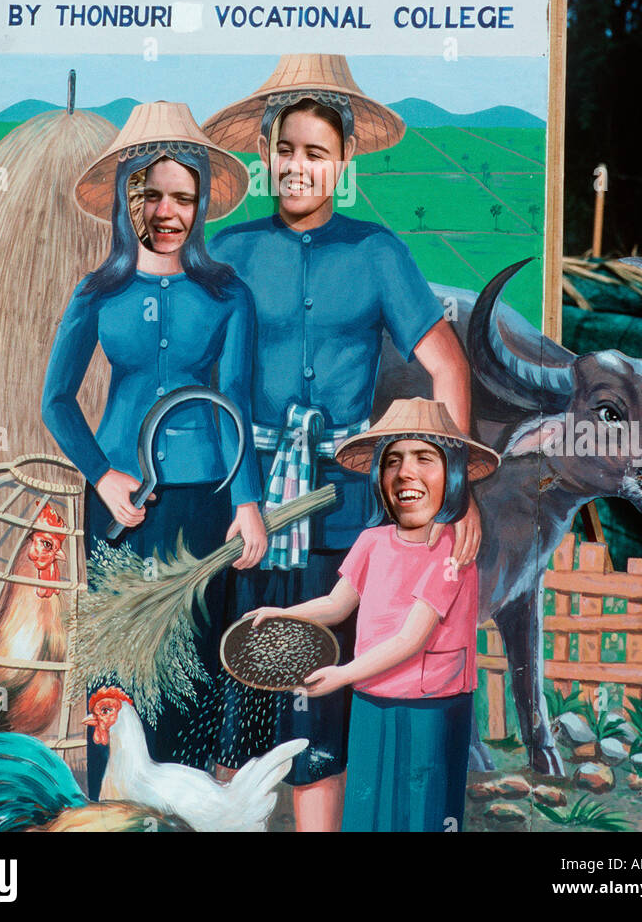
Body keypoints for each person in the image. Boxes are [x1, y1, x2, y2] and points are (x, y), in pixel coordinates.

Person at [203, 54, 484, 832]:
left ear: (343, 162)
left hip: (340, 510)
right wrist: (243, 499)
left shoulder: (376, 251)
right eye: (285, 150)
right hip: (248, 506)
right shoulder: (227, 251)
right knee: (242, 693)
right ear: (266, 154)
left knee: (318, 711)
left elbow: (446, 367)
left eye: (315, 153)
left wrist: (453, 494)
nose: (298, 166)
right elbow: (208, 385)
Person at [41, 102, 267, 789]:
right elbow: (56, 401)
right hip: (118, 505)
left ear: (200, 207)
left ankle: (184, 805)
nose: (167, 210)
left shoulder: (229, 295)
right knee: (116, 654)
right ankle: (112, 802)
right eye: (151, 194)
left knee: (191, 654)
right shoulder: (96, 293)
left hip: (205, 500)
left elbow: (237, 405)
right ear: (125, 198)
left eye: (183, 197)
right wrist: (102, 475)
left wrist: (249, 501)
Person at [251, 399, 498, 833]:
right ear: (380, 477)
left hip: (432, 707)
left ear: (453, 474)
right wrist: (284, 615)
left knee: (422, 812)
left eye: (425, 459)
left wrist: (342, 674)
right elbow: (337, 604)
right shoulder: (371, 541)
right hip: (371, 699)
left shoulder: (451, 553)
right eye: (393, 461)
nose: (406, 473)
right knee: (369, 812)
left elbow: (411, 639)